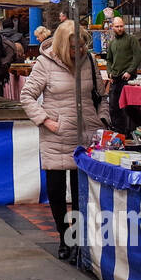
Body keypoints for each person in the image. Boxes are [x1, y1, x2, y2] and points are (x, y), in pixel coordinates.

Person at [19, 21, 104, 263]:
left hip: (85, 134)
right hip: (56, 135)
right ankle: (64, 237)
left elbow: (100, 95)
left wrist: (102, 120)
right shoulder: (45, 63)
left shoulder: (89, 61)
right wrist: (45, 120)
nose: (78, 51)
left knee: (79, 193)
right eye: (73, 47)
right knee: (56, 191)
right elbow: (27, 96)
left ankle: (76, 239)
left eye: (81, 46)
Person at [105, 17, 141, 134]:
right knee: (113, 107)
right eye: (117, 26)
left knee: (126, 108)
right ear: (112, 27)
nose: (120, 29)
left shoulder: (131, 39)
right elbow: (109, 60)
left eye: (121, 26)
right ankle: (117, 131)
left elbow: (137, 57)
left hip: (127, 78)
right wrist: (109, 72)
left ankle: (127, 132)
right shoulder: (112, 43)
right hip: (115, 78)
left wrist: (130, 71)